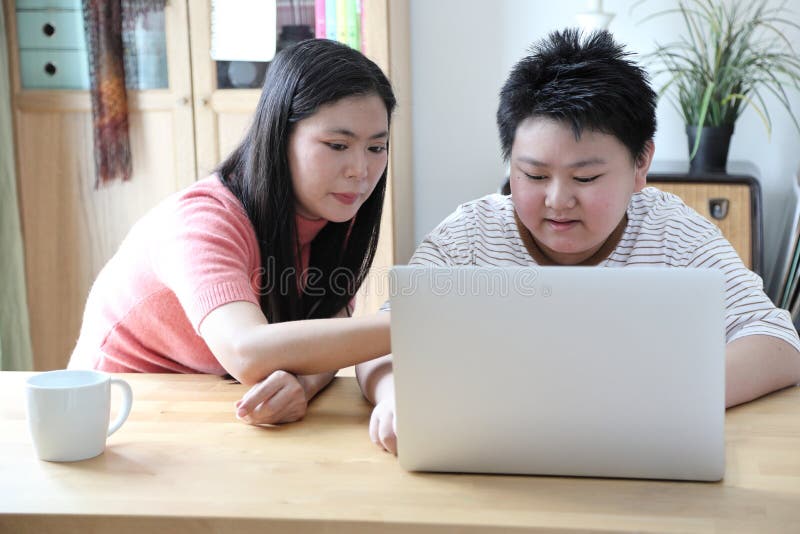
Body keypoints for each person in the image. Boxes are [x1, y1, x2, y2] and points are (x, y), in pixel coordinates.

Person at [358, 28, 800, 454]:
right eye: (532, 175)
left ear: (640, 162)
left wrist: (663, 398)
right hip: (495, 463)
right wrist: (396, 396)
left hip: (639, 458)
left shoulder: (673, 232)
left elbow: (778, 343)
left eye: (585, 177)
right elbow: (375, 343)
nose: (557, 200)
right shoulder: (470, 235)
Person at [69, 39, 394, 426]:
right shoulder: (203, 220)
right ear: (279, 136)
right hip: (118, 411)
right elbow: (247, 351)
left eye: (377, 148)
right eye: (338, 145)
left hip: (219, 404)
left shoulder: (334, 210)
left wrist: (303, 384)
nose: (360, 170)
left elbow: (332, 320)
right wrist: (421, 323)